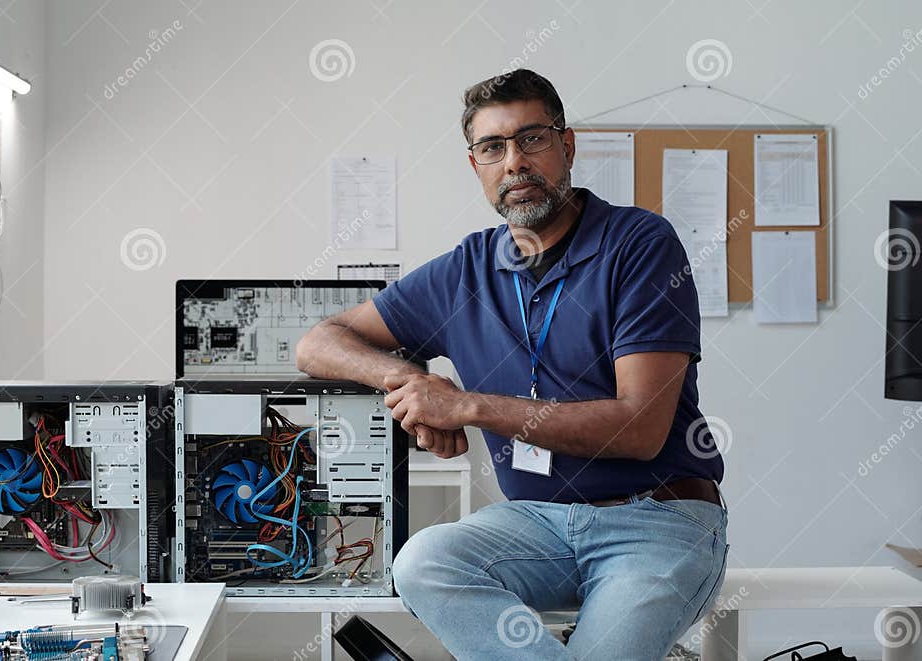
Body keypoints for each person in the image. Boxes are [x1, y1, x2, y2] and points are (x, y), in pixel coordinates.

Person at [296, 68, 728, 660]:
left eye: (532, 139)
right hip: (537, 524)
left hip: (659, 521)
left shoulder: (639, 244)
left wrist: (466, 406)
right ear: (475, 164)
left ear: (566, 146)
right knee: (423, 561)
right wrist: (410, 381)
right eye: (492, 147)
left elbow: (640, 429)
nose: (514, 162)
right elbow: (318, 342)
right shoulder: (465, 270)